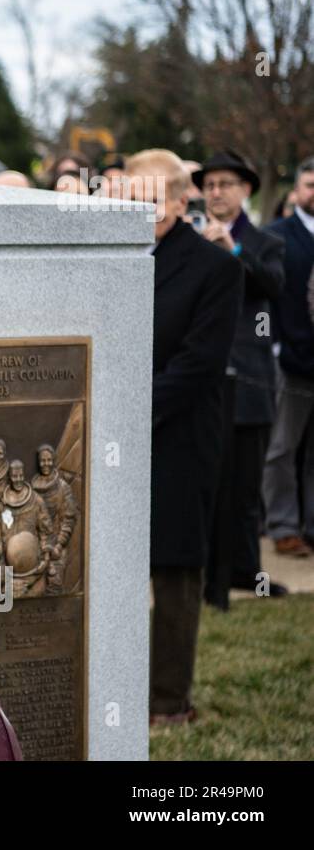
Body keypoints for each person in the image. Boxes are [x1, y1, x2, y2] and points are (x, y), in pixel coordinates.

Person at [129, 148, 242, 725]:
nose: (138, 207)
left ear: (179, 200)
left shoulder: (215, 268)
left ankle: (169, 702)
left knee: (174, 568)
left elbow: (199, 366)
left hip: (179, 437)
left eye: (150, 198)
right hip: (113, 441)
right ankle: (116, 682)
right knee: (118, 560)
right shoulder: (113, 258)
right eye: (129, 194)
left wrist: (127, 411)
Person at [192, 150, 289, 602]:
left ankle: (247, 570)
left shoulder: (265, 240)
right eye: (209, 185)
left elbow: (271, 285)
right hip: (203, 381)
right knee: (207, 482)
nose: (216, 192)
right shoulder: (189, 239)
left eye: (225, 184)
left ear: (245, 190)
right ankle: (208, 570)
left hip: (250, 381)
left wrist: (230, 249)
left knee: (245, 486)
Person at [261, 156, 314, 558]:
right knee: (282, 448)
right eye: (310, 185)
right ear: (296, 190)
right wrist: (276, 345)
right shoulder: (277, 235)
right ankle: (282, 525)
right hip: (291, 361)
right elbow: (267, 297)